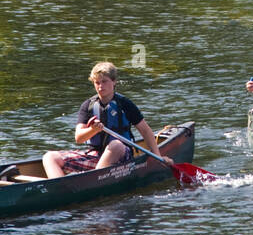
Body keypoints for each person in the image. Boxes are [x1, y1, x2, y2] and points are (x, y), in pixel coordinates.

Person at [42, 62, 172, 177]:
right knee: (50, 157)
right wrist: (92, 130)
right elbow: (79, 138)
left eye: (104, 81)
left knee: (115, 144)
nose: (100, 86)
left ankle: (94, 181)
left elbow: (145, 131)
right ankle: (60, 187)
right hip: (96, 155)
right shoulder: (88, 105)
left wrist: (158, 157)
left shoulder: (125, 104)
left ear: (114, 81)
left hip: (122, 155)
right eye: (97, 82)